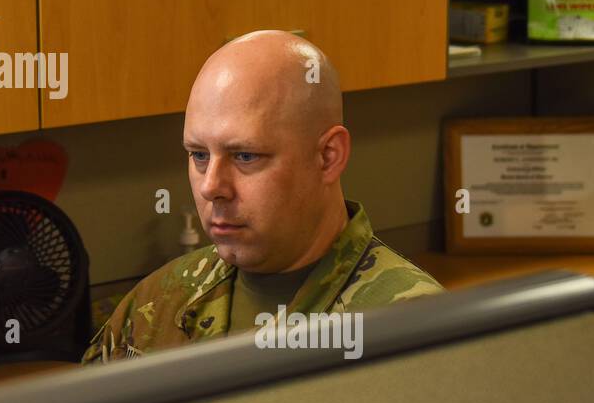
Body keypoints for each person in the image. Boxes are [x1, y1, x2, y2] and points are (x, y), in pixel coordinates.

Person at [82, 30, 442, 364]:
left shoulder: (411, 330)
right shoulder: (160, 298)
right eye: (199, 155)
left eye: (245, 156)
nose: (211, 187)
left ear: (328, 156)